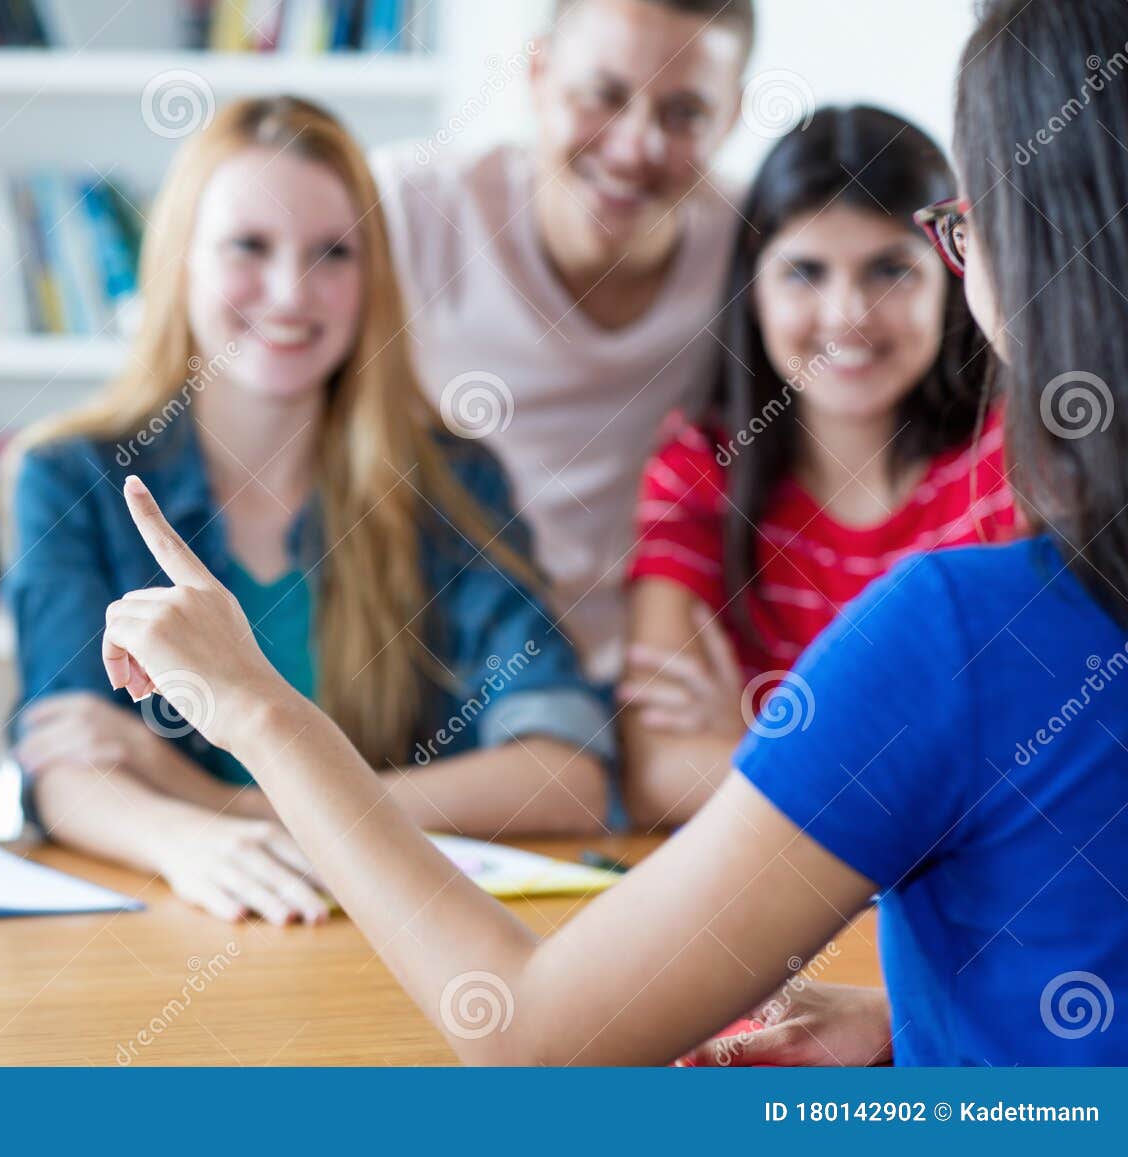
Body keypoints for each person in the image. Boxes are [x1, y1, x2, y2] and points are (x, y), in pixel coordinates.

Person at [90, 0, 1128, 1066]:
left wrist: (258, 708)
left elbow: (533, 1032)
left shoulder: (954, 630)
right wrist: (931, 1024)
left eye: (955, 230)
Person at [8, 98, 613, 927]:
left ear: (373, 283)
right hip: (174, 931)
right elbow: (63, 762)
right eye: (249, 247)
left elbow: (565, 772)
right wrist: (182, 839)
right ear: (181, 261)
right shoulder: (69, 476)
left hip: (399, 940)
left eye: (332, 253)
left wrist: (238, 808)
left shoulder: (453, 480)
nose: (292, 292)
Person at [619, 107, 1016, 829]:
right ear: (754, 286)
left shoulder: (1009, 459)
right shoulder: (699, 470)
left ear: (953, 278)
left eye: (891, 270)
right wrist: (914, 786)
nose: (848, 316)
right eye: (805, 271)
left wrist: (752, 748)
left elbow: (1021, 770)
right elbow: (658, 774)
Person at [372, 0, 751, 684]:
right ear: (539, 73)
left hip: (640, 686)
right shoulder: (406, 209)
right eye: (604, 96)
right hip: (426, 666)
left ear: (733, 115)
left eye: (685, 113)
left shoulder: (760, 252)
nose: (636, 147)